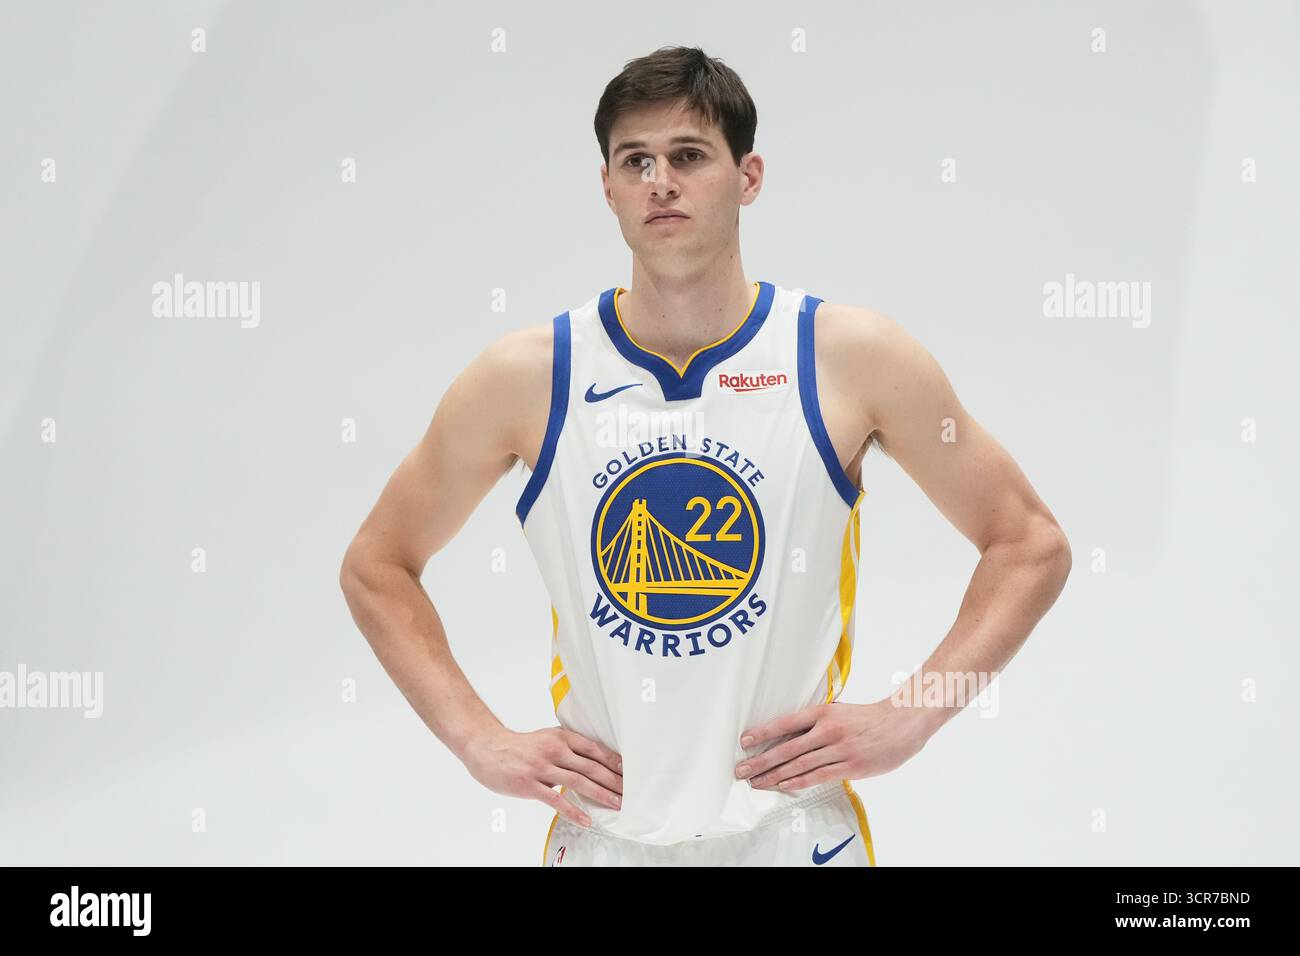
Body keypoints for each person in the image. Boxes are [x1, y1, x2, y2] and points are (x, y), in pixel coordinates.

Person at [339, 45, 1071, 867]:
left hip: (794, 835)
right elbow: (377, 564)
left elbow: (1028, 545)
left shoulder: (845, 357)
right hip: (605, 836)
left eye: (688, 156)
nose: (661, 180)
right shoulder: (531, 377)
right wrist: (476, 739)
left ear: (748, 177)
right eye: (636, 161)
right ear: (607, 188)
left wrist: (914, 715)